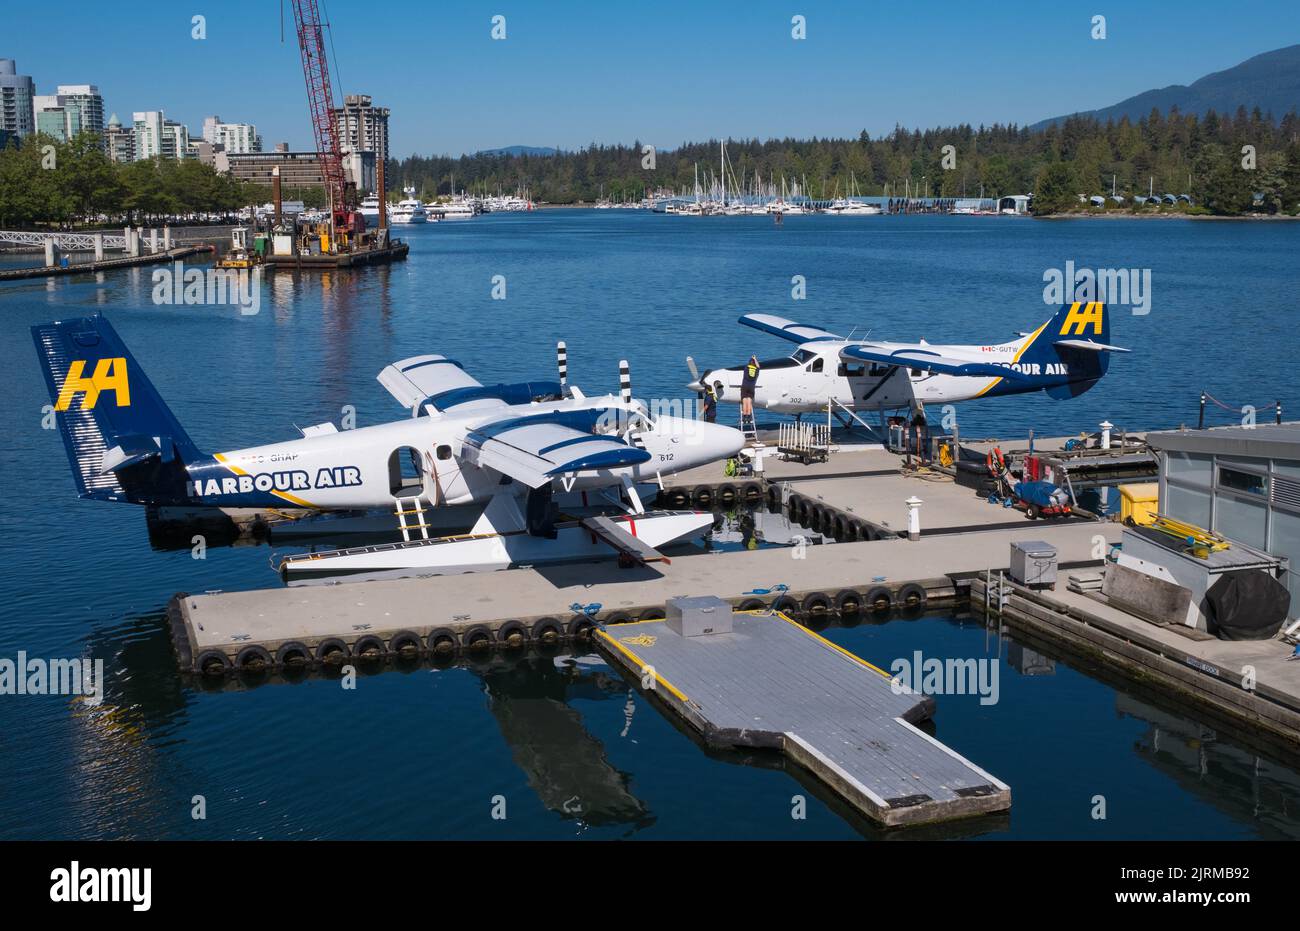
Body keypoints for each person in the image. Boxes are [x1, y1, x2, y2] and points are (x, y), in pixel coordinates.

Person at [740, 355, 760, 425]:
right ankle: (749, 417)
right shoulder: (756, 370)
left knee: (745, 402)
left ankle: (744, 417)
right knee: (749, 402)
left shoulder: (746, 368)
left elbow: (748, 365)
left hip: (744, 387)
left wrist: (752, 359)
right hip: (751, 387)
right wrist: (755, 359)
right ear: (754, 364)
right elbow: (758, 366)